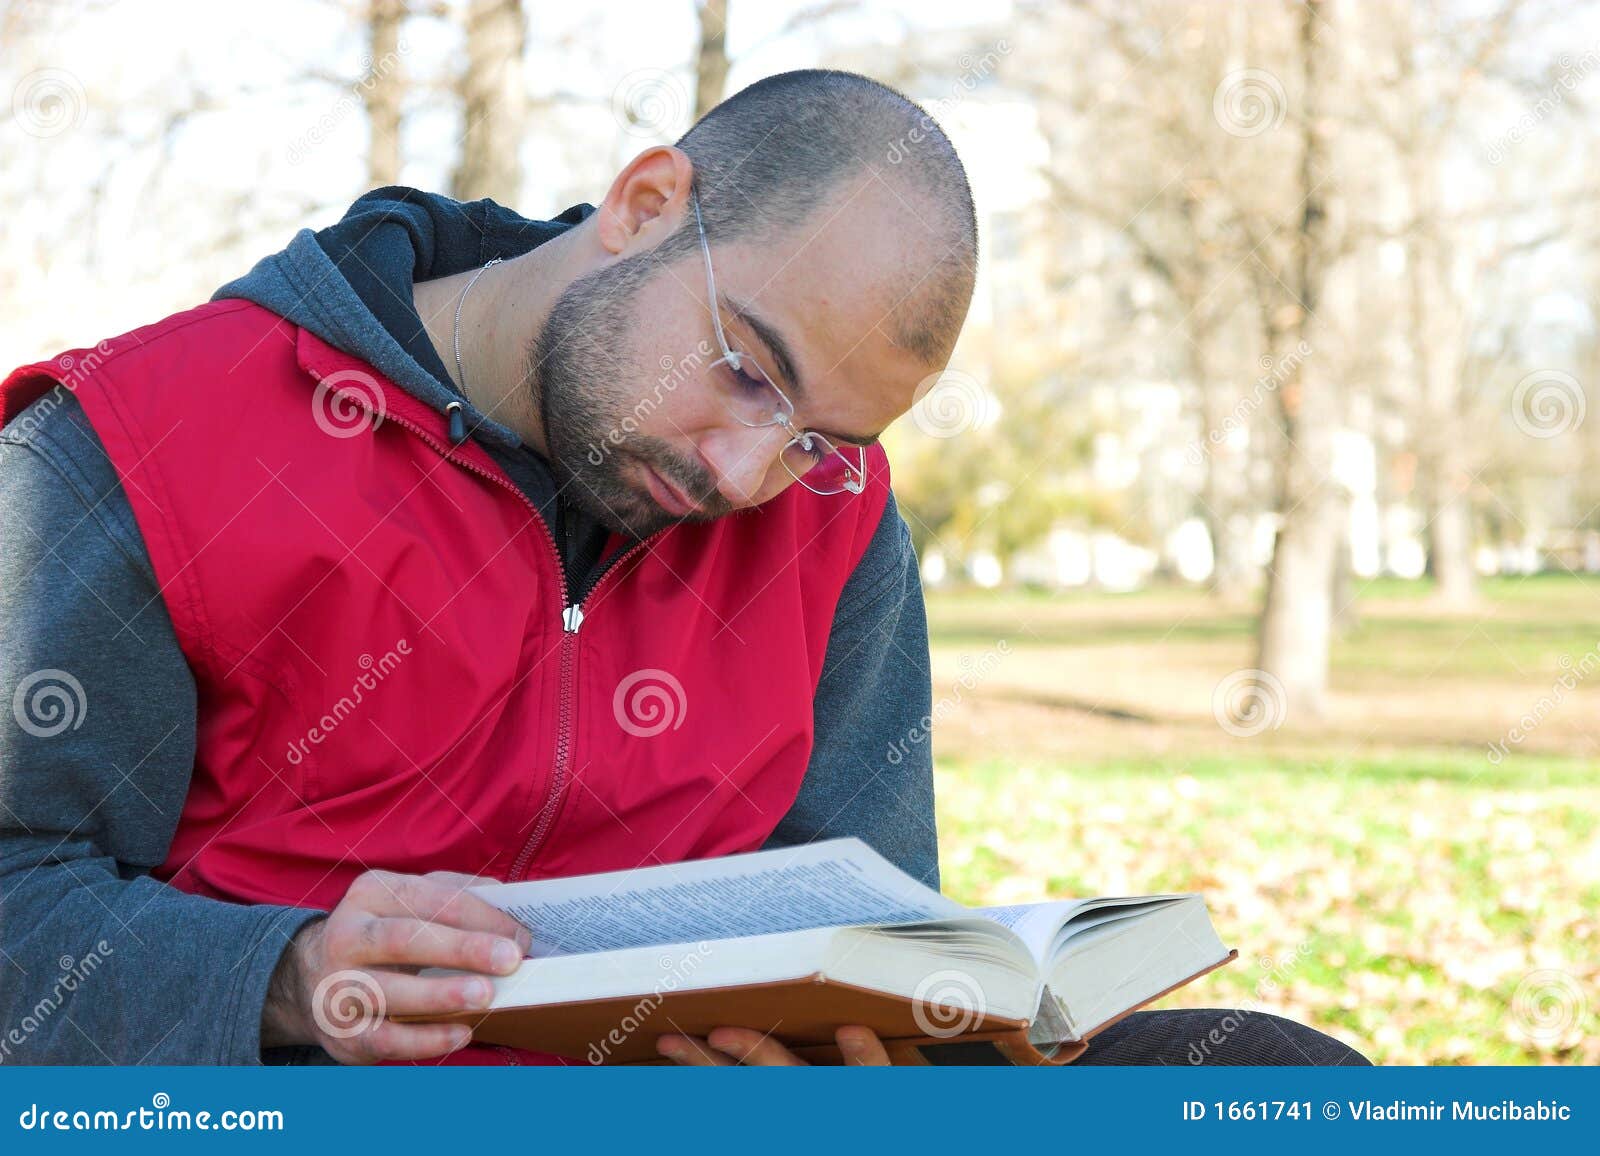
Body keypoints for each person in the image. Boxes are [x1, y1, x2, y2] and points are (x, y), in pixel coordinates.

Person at [0, 69, 1367, 1067]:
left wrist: (850, 1047)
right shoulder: (139, 443)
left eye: (820, 439)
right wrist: (281, 981)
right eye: (744, 371)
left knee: (1272, 1087)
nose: (743, 474)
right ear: (648, 204)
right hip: (297, 1100)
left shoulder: (832, 520)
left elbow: (873, 915)